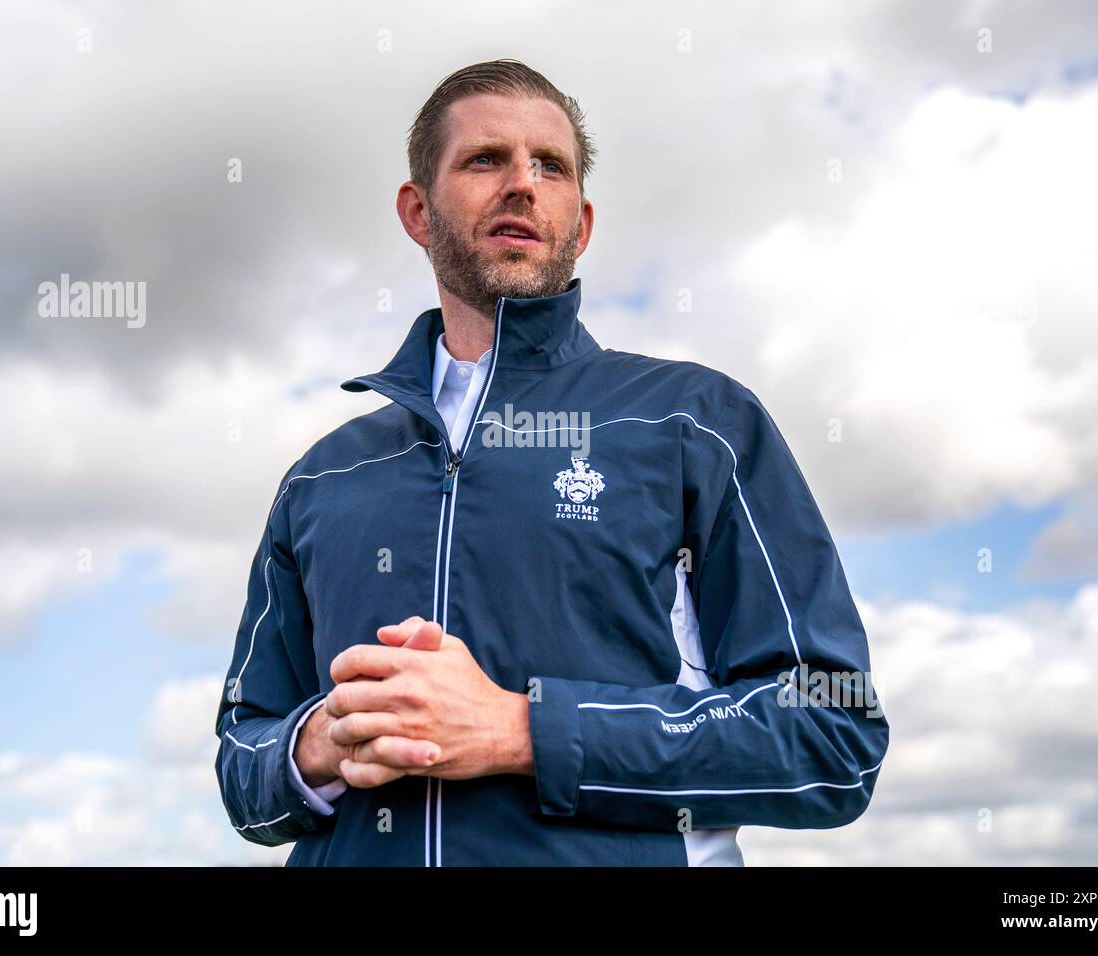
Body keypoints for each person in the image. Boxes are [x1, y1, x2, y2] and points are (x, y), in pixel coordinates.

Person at [213, 58, 889, 866]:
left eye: (551, 167)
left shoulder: (695, 424)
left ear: (583, 220)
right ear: (417, 212)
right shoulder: (323, 478)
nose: (523, 185)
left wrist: (522, 731)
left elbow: (832, 731)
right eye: (485, 159)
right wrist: (316, 743)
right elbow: (241, 763)